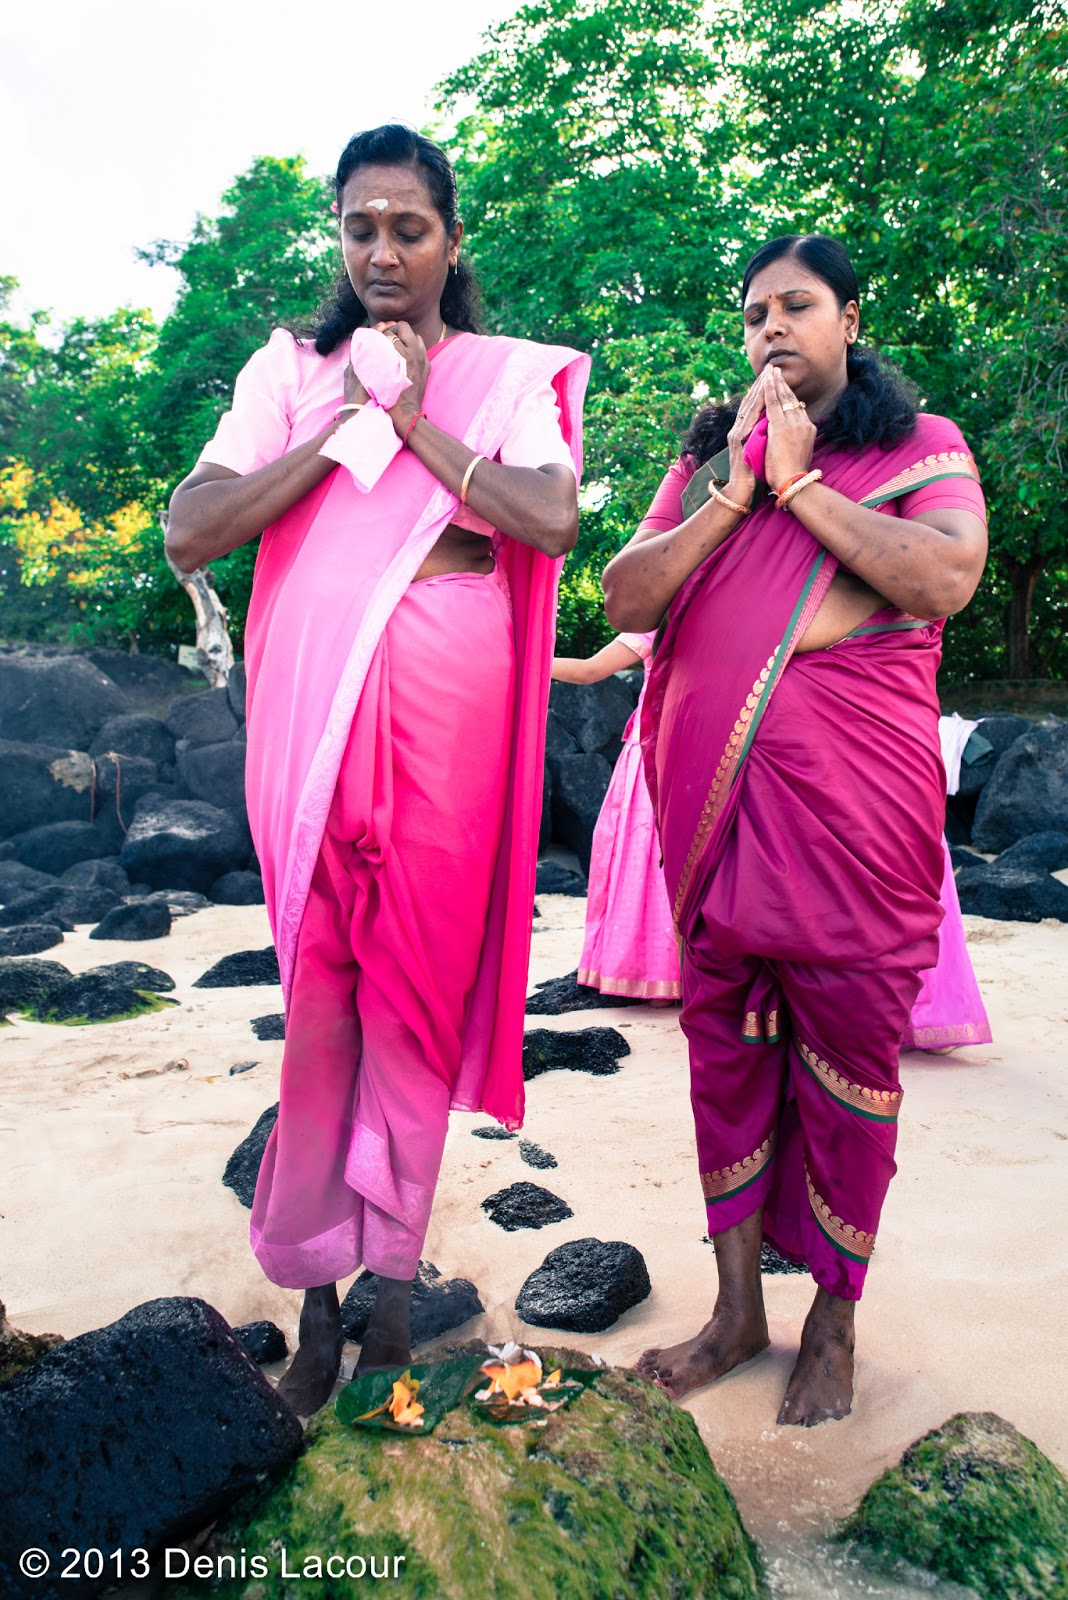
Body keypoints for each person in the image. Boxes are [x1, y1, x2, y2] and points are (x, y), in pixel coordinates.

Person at [166, 125, 589, 1414]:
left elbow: (551, 518)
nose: (384, 249)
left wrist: (415, 425)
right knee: (322, 1010)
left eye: (409, 226)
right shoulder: (286, 370)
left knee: (411, 999)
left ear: (451, 242)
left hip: (448, 722)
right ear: (338, 241)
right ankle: (310, 1311)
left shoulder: (503, 374)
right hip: (312, 731)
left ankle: (393, 1309)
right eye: (361, 227)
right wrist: (347, 417)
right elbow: (194, 526)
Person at [602, 234, 987, 1426]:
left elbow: (943, 578)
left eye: (799, 304)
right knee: (724, 1052)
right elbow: (627, 596)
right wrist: (737, 487)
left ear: (851, 319)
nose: (772, 326)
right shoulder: (708, 457)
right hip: (715, 821)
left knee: (849, 1067)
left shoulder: (920, 448)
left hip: (854, 823)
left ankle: (832, 1319)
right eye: (756, 310)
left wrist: (807, 484)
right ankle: (735, 1311)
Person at [551, 637, 680, 1002]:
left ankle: (651, 976)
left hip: (653, 748)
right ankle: (684, 976)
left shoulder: (656, 618)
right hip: (703, 745)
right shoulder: (721, 612)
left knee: (642, 855)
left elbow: (589, 670)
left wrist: (525, 656)